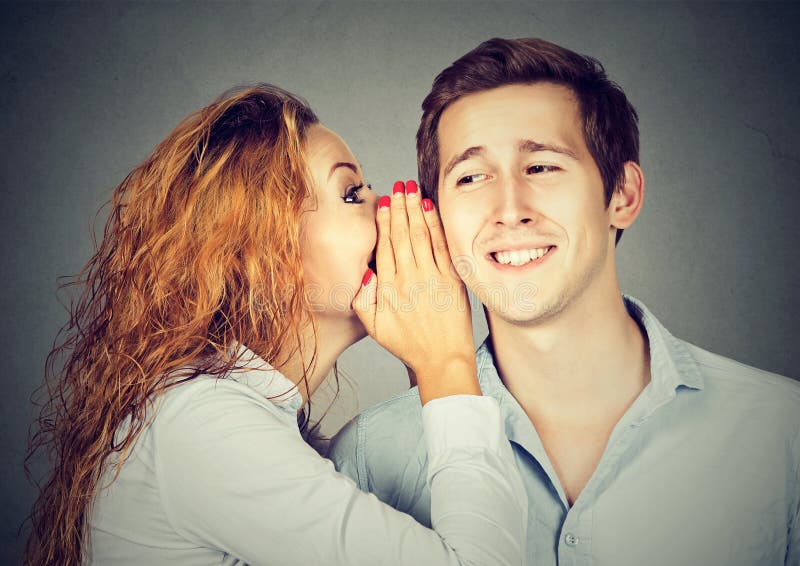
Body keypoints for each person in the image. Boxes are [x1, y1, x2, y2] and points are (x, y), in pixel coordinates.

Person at [330, 37, 800, 565]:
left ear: (621, 194)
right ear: (435, 219)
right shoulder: (369, 458)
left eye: (543, 167)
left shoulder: (783, 436)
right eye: (471, 177)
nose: (510, 210)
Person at [24, 84, 527, 565]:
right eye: (352, 193)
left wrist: (424, 362)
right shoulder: (203, 424)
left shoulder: (241, 420)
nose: (392, 207)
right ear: (267, 253)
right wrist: (446, 361)